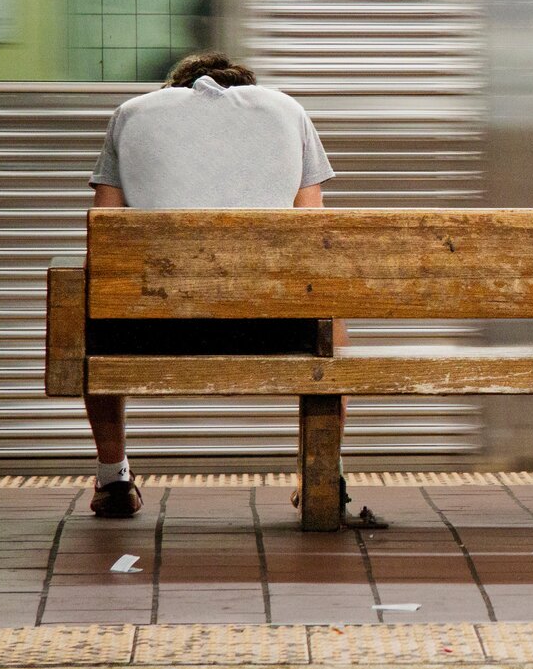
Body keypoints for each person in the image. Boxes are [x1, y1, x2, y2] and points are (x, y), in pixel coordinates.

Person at [86, 51, 385, 528]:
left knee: (96, 298)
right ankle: (323, 474)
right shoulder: (288, 111)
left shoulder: (132, 115)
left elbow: (105, 232)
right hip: (276, 330)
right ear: (244, 85)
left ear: (177, 87)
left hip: (149, 334)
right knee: (330, 310)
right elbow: (314, 232)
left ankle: (113, 478)